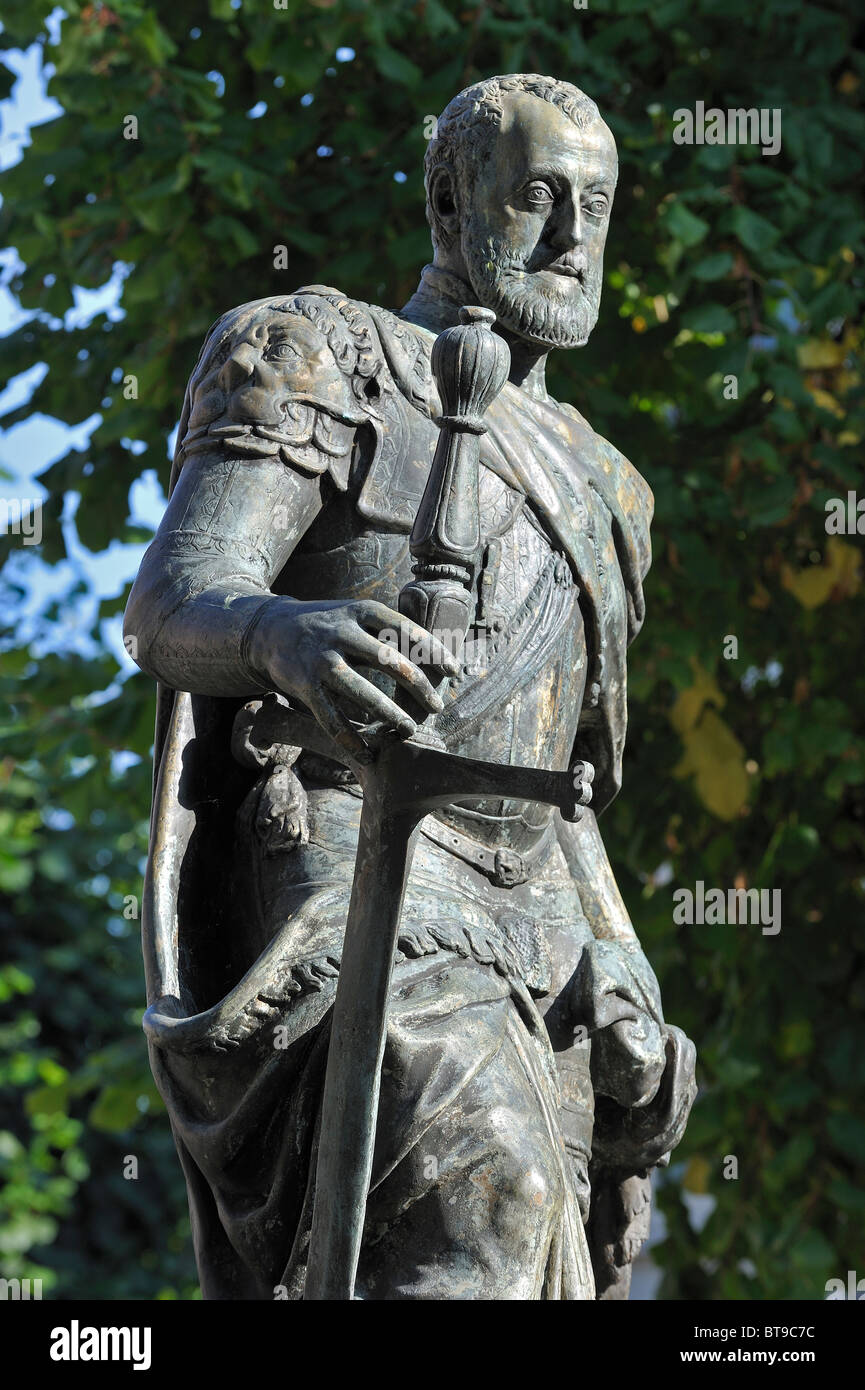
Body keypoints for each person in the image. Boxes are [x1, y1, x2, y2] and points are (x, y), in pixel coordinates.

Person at [125, 73, 696, 1301]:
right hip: (350, 859)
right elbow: (171, 602)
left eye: (597, 206)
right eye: (540, 196)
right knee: (494, 1194)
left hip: (540, 913)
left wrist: (622, 953)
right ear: (449, 199)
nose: (573, 238)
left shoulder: (611, 490)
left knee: (551, 1257)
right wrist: (282, 633)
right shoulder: (316, 351)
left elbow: (568, 786)